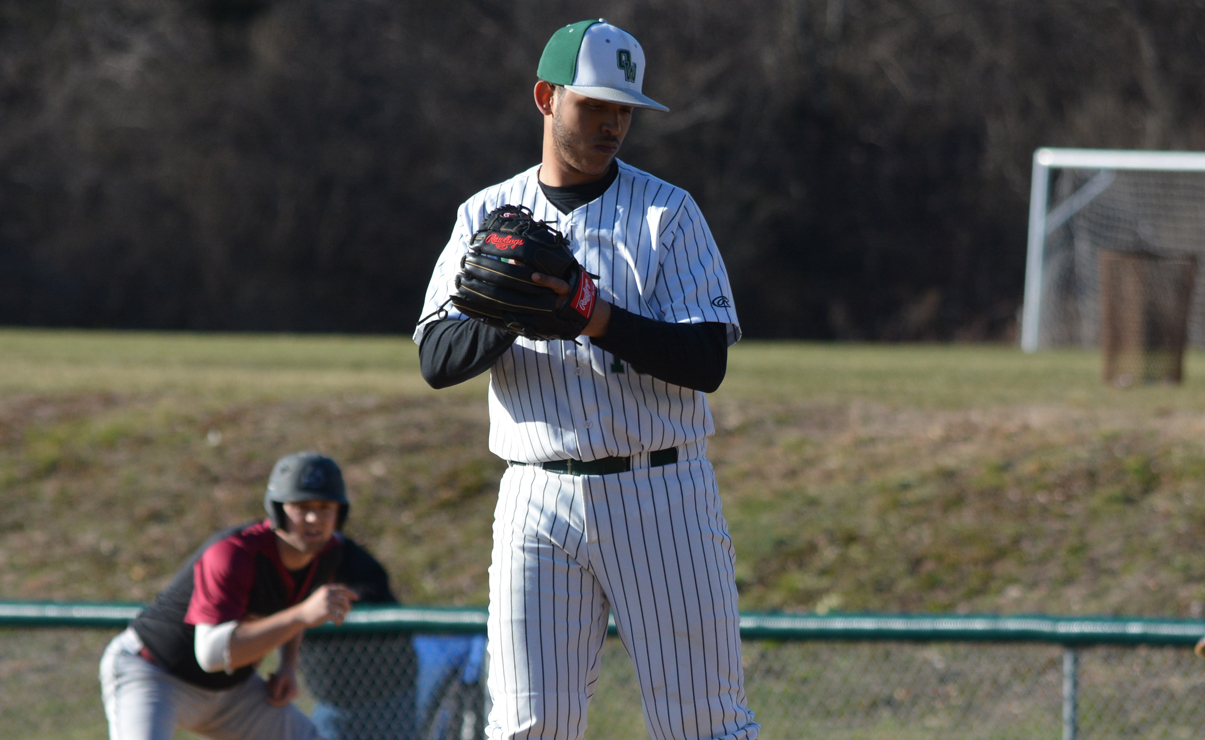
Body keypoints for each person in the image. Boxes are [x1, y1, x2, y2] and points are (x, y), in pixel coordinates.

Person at [412, 18, 758, 740]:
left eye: (623, 109)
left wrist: (593, 313)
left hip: (659, 489)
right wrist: (512, 309)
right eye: (594, 105)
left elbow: (707, 361)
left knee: (704, 724)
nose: (611, 123)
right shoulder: (484, 215)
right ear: (545, 96)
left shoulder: (669, 213)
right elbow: (437, 359)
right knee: (526, 727)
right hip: (535, 494)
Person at [101, 452, 394, 740]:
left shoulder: (328, 553)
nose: (314, 517)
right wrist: (302, 615)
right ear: (278, 509)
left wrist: (288, 666)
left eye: (325, 507)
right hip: (153, 673)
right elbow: (213, 654)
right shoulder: (233, 554)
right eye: (301, 506)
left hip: (230, 692)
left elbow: (294, 604)